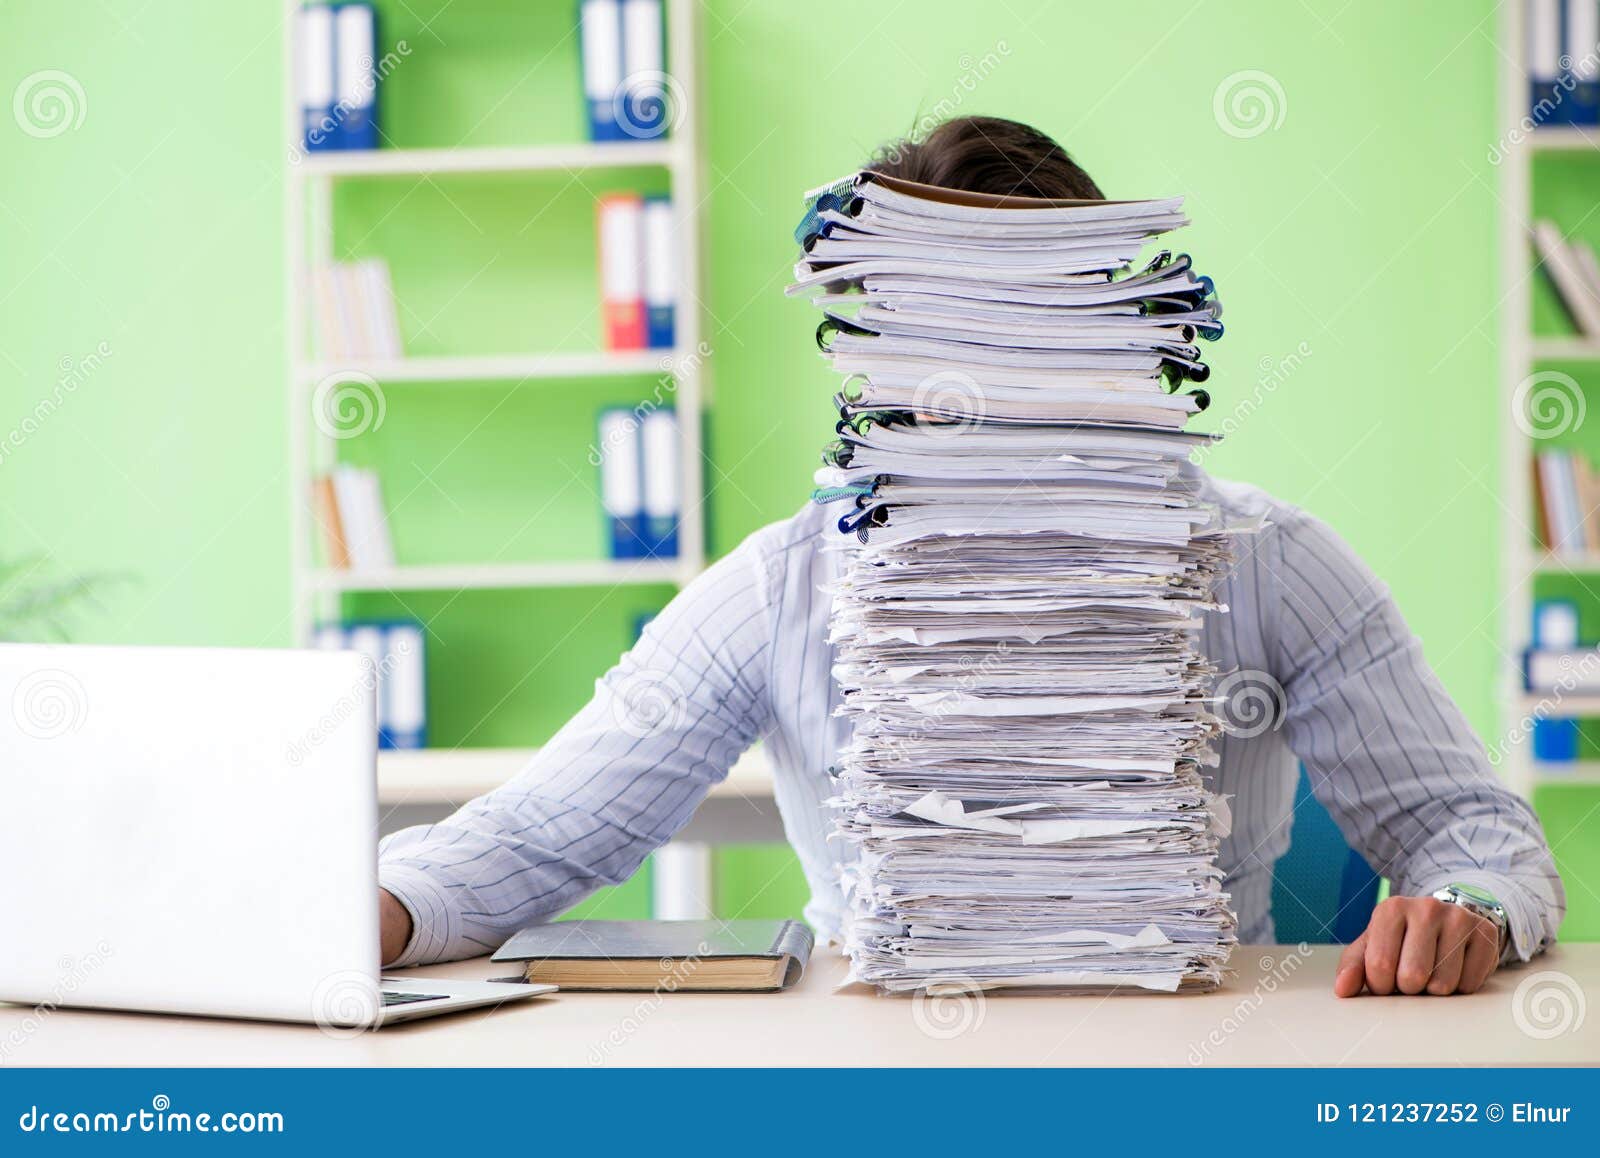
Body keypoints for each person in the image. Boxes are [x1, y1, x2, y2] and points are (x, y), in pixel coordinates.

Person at [376, 115, 1564, 998]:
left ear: (1114, 346)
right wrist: (369, 909)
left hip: (1192, 1076)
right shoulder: (782, 583)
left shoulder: (1269, 561)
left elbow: (1472, 832)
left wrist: (1463, 905)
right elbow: (539, 835)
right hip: (886, 1079)